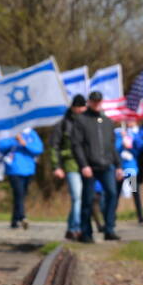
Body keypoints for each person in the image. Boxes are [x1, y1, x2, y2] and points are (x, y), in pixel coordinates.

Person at [73, 90, 119, 242]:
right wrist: (83, 165)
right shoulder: (81, 120)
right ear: (89, 102)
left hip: (115, 167)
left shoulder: (107, 122)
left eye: (99, 101)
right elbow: (77, 145)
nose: (97, 103)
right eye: (94, 101)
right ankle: (86, 232)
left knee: (114, 193)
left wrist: (119, 165)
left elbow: (112, 146)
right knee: (88, 199)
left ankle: (110, 228)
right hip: (90, 166)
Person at [50, 95, 87, 241]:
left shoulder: (87, 123)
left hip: (87, 164)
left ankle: (71, 227)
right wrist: (56, 166)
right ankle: (76, 228)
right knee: (77, 197)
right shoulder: (64, 124)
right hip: (71, 164)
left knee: (83, 198)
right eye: (79, 106)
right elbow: (55, 146)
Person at [0, 126, 44, 229]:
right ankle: (22, 217)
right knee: (19, 193)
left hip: (29, 169)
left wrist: (25, 143)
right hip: (14, 169)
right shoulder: (9, 131)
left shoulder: (31, 133)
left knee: (21, 195)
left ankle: (15, 220)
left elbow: (38, 149)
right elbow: (1, 146)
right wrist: (14, 140)